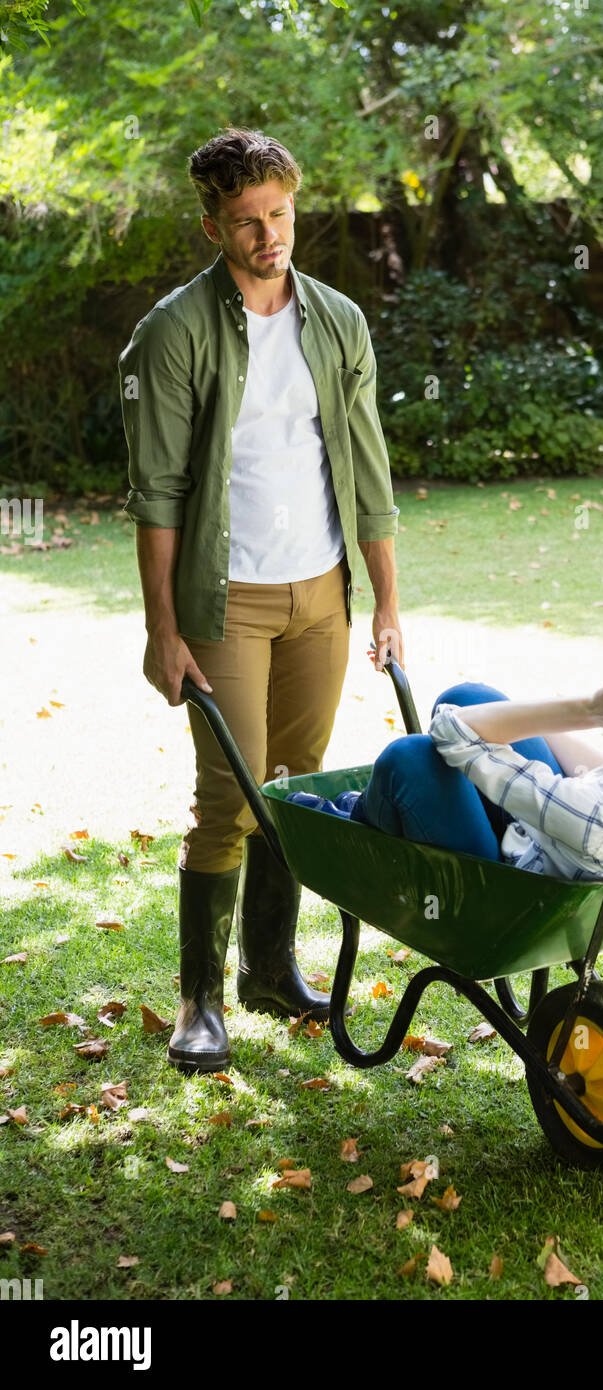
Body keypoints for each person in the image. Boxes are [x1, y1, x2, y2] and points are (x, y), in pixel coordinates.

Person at [118, 127, 403, 1073]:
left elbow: (367, 469)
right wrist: (165, 631)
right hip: (225, 600)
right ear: (213, 228)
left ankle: (271, 972)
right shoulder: (173, 334)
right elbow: (156, 490)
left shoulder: (339, 322)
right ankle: (200, 999)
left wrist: (388, 603)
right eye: (245, 223)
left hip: (322, 593)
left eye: (279, 214)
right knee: (227, 799)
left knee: (295, 782)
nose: (268, 236)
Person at [294, 591, 603, 884]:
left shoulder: (598, 818)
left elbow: (450, 725)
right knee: (472, 694)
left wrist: (587, 711)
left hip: (505, 892)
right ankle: (372, 807)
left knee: (411, 758)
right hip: (563, 842)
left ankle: (344, 816)